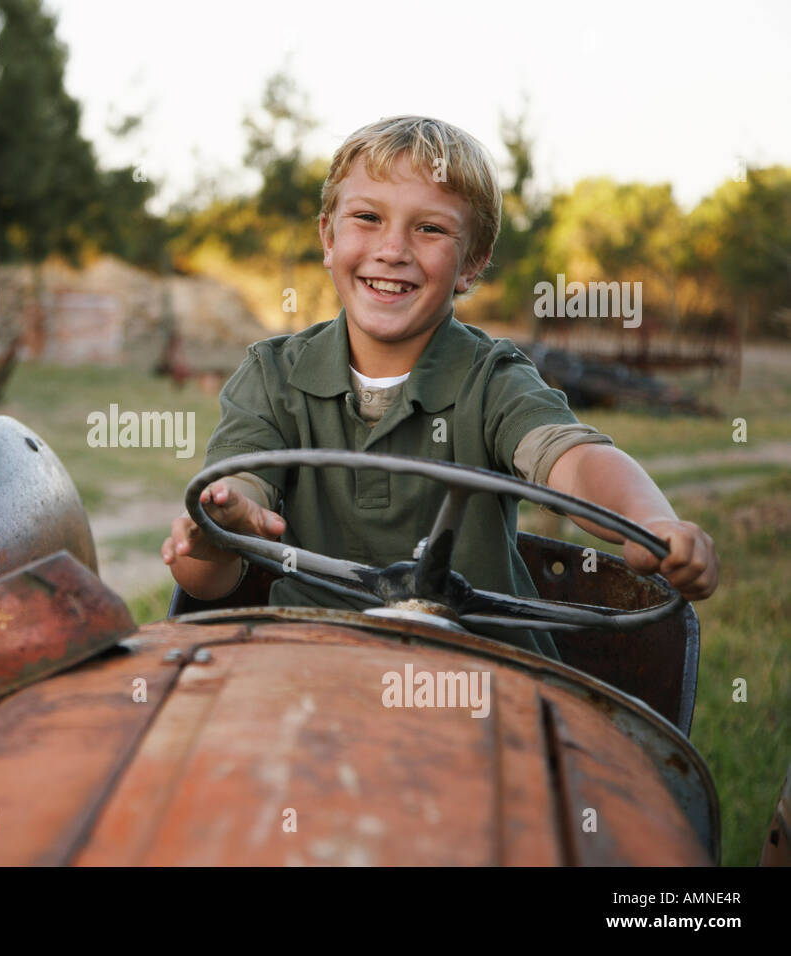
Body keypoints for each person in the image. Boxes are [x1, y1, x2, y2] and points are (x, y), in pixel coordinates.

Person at [160, 115, 718, 658]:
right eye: (367, 218)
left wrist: (650, 522)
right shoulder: (272, 375)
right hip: (314, 667)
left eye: (429, 228)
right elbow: (212, 562)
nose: (393, 249)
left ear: (472, 264)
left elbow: (572, 462)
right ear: (328, 237)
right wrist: (220, 526)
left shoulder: (493, 378)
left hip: (481, 676)